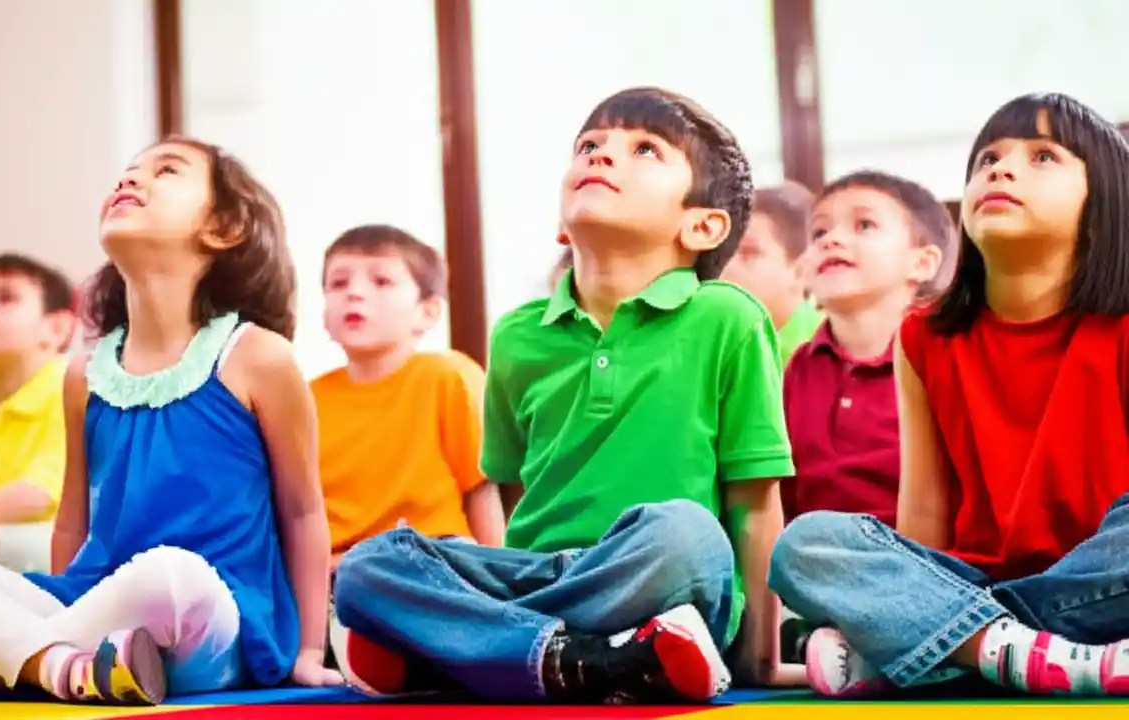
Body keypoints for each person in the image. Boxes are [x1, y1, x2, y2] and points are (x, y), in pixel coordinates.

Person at [334, 87, 800, 703]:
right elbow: (514, 491)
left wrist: (758, 661)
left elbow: (754, 499)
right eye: (589, 146)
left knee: (689, 535)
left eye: (644, 150)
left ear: (703, 226)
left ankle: (474, 655)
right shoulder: (518, 335)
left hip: (653, 578)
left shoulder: (728, 318)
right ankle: (585, 659)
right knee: (371, 567)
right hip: (532, 574)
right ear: (561, 223)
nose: (601, 157)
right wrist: (496, 581)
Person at [0, 137, 342, 704]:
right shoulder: (84, 374)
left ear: (223, 228)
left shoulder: (257, 357)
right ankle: (54, 665)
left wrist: (310, 652)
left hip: (209, 619)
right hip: (94, 610)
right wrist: (66, 604)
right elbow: (73, 522)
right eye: (127, 171)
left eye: (166, 171)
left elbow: (303, 510)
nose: (131, 179)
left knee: (170, 573)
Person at [769, 92, 1129, 697]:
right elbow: (923, 524)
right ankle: (1011, 651)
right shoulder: (925, 336)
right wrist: (904, 584)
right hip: (975, 577)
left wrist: (899, 616)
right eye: (987, 157)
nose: (1002, 168)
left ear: (1105, 206)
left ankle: (950, 647)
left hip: (1098, 579)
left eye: (1043, 157)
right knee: (808, 544)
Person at [313, 225, 503, 564]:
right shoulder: (305, 401)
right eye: (338, 283)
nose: (354, 293)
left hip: (433, 554)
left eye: (381, 281)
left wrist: (503, 581)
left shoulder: (448, 376)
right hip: (341, 569)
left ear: (427, 311)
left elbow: (480, 487)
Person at [781, 172, 954, 527]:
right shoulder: (799, 368)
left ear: (921, 263)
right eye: (819, 232)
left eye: (864, 225)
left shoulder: (945, 358)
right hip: (809, 561)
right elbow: (783, 497)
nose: (832, 240)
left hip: (919, 562)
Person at [0, 253, 77, 572]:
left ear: (56, 328)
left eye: (6, 298)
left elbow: (40, 494)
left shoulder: (73, 389)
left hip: (45, 543)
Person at [720, 183, 821, 366]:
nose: (726, 266)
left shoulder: (831, 349)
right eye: (722, 251)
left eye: (748, 252)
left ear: (801, 271)